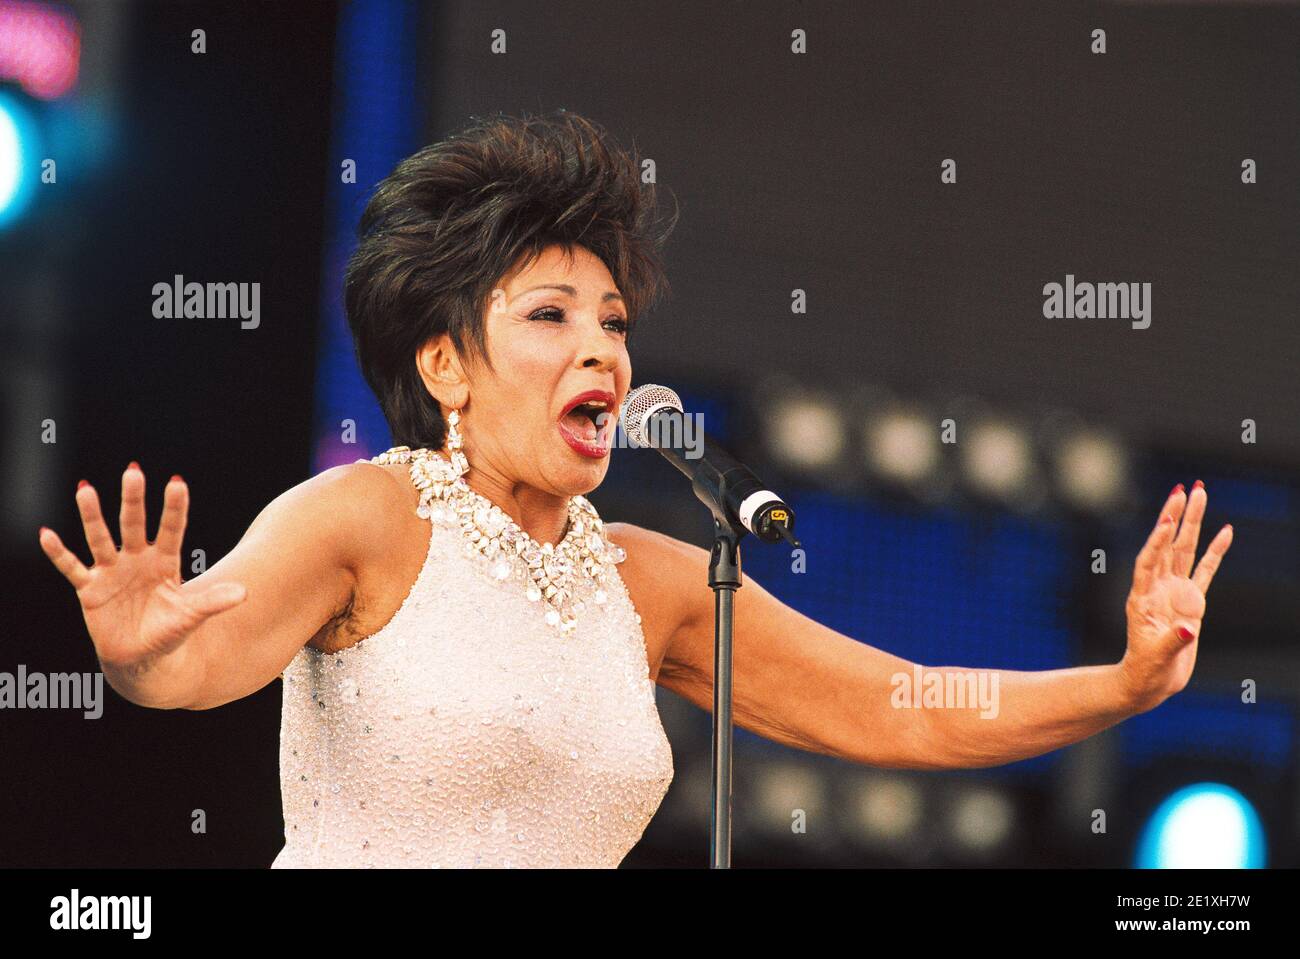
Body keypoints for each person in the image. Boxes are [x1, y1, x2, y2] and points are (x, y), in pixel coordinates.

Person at [37, 112, 1234, 867]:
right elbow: (197, 667)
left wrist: (1123, 684)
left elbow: (900, 706)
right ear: (445, 361)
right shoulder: (365, 516)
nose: (602, 350)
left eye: (611, 320)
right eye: (549, 316)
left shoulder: (650, 579)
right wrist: (138, 647)